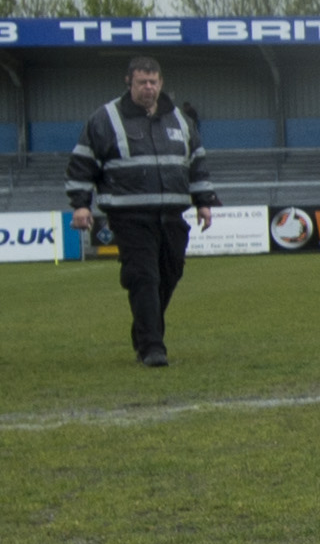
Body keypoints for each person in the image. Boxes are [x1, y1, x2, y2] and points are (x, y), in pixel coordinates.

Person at [69, 55, 214, 367]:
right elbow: (82, 163)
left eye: (153, 82)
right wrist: (81, 205)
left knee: (169, 274)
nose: (148, 88)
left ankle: (144, 332)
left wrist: (204, 202)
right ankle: (152, 348)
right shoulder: (105, 119)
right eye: (142, 82)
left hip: (172, 215)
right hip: (130, 215)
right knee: (143, 276)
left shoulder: (179, 119)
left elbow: (197, 162)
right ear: (129, 83)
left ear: (161, 83)